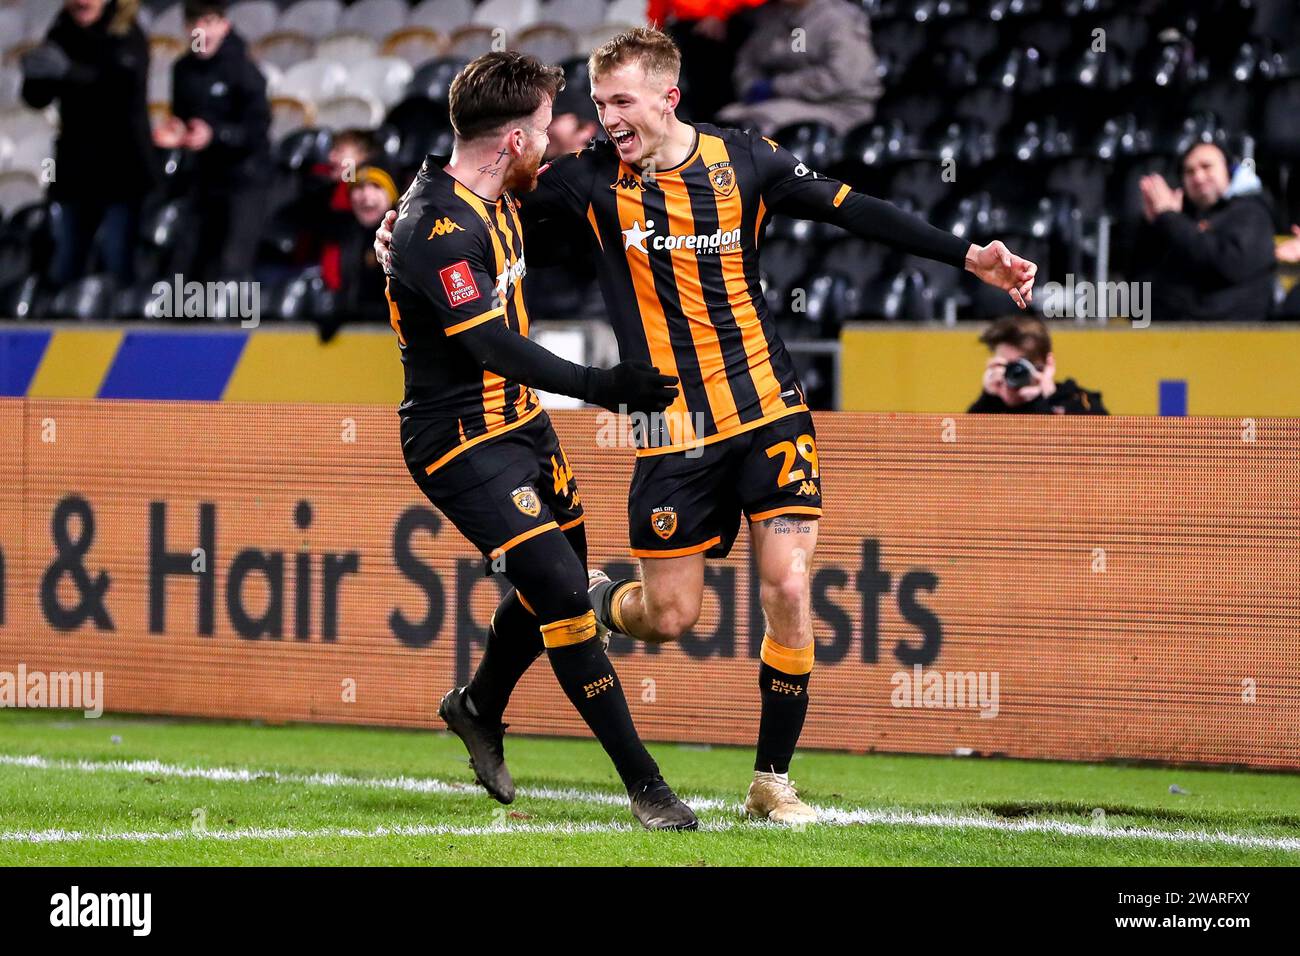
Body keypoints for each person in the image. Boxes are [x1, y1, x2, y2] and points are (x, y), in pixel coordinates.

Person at [376, 27, 1037, 825]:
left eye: (622, 102)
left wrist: (969, 257)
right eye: (598, 104)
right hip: (669, 428)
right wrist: (386, 236)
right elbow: (466, 196)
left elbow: (849, 208)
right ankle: (578, 615)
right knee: (667, 618)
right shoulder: (584, 183)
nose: (606, 118)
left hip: (768, 407)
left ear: (667, 97)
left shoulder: (745, 158)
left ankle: (771, 781)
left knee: (790, 584)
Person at [384, 51, 697, 831]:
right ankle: (647, 787)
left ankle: (479, 704)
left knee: (547, 585)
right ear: (515, 142)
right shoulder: (434, 228)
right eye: (546, 133)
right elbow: (491, 346)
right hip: (457, 440)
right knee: (563, 592)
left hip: (523, 426)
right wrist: (603, 385)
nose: (557, 146)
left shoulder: (492, 197)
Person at [20, 0, 155, 287]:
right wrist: (35, 76)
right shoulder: (61, 32)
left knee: (117, 256)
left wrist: (70, 72)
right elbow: (38, 98)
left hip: (122, 166)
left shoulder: (127, 34)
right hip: (75, 167)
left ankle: (120, 324)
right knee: (67, 257)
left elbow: (122, 87)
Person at [154, 0, 270, 280]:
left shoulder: (244, 70)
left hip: (245, 178)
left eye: (207, 22)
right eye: (193, 23)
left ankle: (232, 320)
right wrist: (177, 133)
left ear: (224, 25)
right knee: (187, 257)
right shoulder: (183, 70)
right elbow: (182, 117)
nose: (200, 31)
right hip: (204, 176)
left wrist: (217, 135)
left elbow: (258, 129)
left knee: (233, 260)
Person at [1134, 142, 1276, 321]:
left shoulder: (1251, 212)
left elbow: (1229, 265)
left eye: (1207, 167)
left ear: (1228, 170)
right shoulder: (1178, 220)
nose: (1198, 177)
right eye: (1189, 171)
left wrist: (1170, 219)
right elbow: (1139, 290)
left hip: (1231, 336)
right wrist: (1152, 226)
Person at [716, 0, 882, 135]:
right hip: (782, 102)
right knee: (724, 120)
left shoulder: (839, 17)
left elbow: (843, 77)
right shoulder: (774, 17)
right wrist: (750, 85)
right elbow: (748, 60)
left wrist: (777, 86)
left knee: (759, 123)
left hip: (838, 107)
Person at [968, 315, 1107, 415]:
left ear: (1047, 365)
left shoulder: (1076, 401)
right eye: (1007, 366)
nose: (1014, 373)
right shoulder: (989, 408)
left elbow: (1101, 444)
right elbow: (961, 449)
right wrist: (987, 398)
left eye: (1020, 366)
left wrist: (1050, 400)